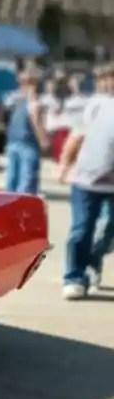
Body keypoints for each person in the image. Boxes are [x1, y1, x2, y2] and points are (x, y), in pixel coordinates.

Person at [57, 64, 114, 299]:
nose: (107, 85)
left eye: (110, 80)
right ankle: (74, 277)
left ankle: (92, 262)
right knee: (81, 230)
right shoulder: (92, 106)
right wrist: (63, 165)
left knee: (107, 230)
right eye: (102, 80)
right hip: (86, 180)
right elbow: (75, 137)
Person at [2, 68, 49, 195]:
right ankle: (19, 202)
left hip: (20, 140)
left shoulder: (14, 98)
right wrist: (43, 139)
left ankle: (14, 202)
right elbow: (36, 119)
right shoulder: (16, 97)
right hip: (23, 140)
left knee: (18, 177)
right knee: (24, 177)